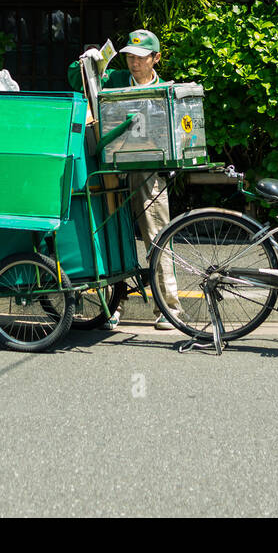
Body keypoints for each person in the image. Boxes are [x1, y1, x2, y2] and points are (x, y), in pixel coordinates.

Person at [68, 29, 183, 331]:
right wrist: (87, 63)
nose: (134, 63)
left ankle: (168, 308)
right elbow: (76, 80)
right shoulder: (116, 79)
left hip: (148, 170)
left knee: (158, 236)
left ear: (156, 58)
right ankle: (112, 304)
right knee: (110, 234)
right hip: (113, 166)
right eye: (130, 56)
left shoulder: (165, 90)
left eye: (141, 58)